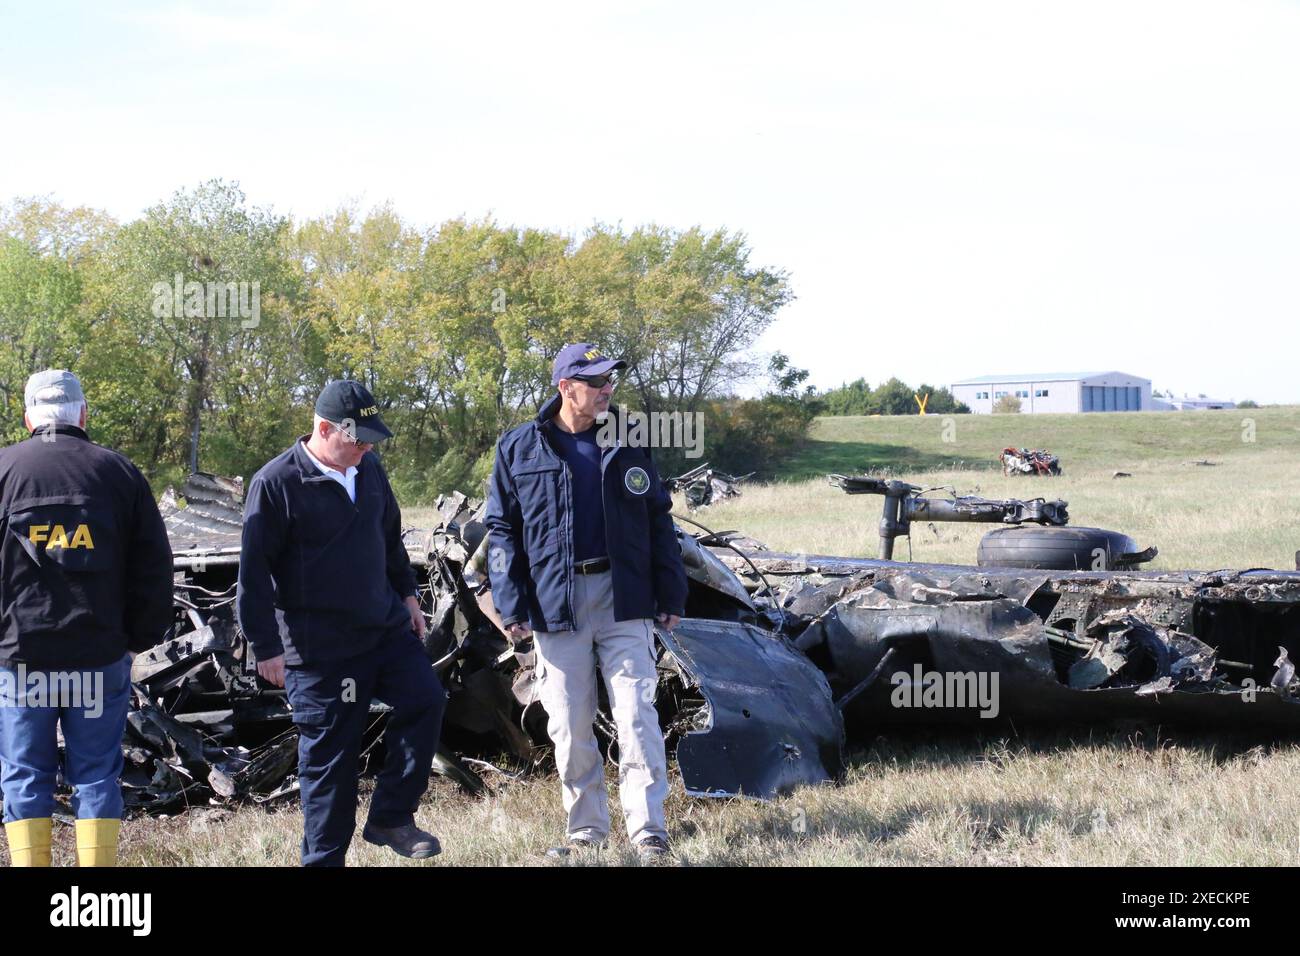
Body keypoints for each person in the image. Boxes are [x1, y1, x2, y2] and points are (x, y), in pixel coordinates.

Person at [484, 343, 688, 862]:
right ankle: (587, 831)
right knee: (570, 722)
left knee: (637, 713)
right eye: (595, 381)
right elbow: (502, 531)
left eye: (609, 380)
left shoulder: (629, 442)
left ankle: (649, 833)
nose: (607, 390)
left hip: (626, 598)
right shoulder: (518, 448)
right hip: (557, 602)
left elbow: (658, 519)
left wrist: (671, 590)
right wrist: (511, 605)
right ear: (564, 387)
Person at [236, 380, 445, 866]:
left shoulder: (368, 468)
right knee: (331, 768)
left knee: (426, 699)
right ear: (324, 429)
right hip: (320, 651)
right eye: (358, 438)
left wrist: (408, 594)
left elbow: (389, 538)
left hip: (384, 630)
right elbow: (254, 574)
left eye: (372, 438)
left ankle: (392, 817)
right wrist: (266, 647)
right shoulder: (276, 484)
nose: (368, 447)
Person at [0, 370, 173, 867]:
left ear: (29, 416)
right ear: (82, 414)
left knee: (24, 775)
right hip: (98, 659)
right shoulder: (119, 474)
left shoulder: (5, 471)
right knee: (96, 775)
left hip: (21, 660)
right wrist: (135, 641)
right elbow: (154, 571)